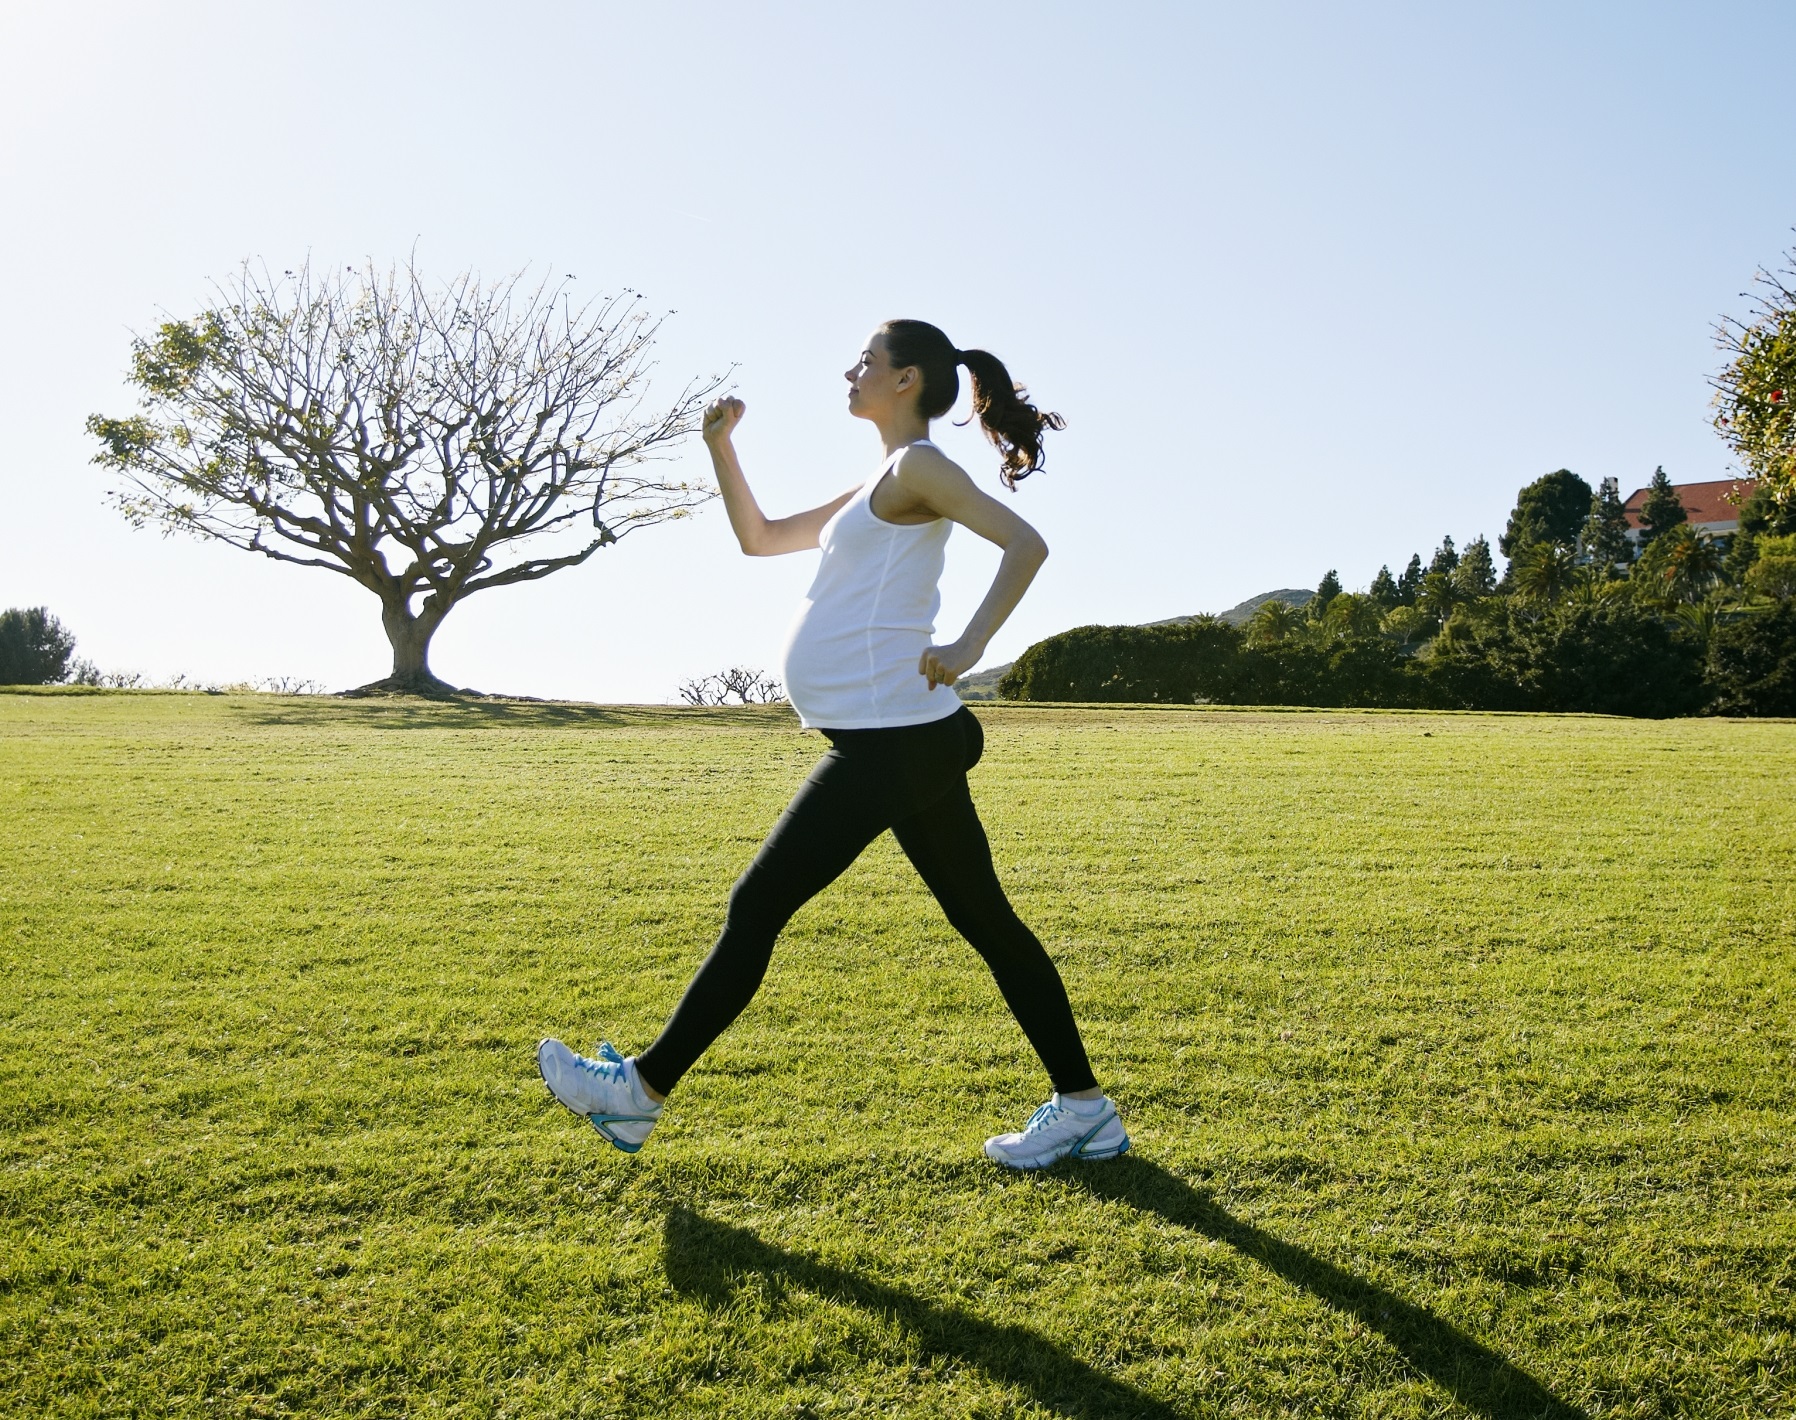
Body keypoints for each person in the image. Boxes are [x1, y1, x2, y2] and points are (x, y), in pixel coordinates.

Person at [537, 319, 1127, 1170]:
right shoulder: (878, 479)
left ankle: (638, 1093)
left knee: (758, 904)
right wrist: (720, 450)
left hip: (890, 739)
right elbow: (762, 538)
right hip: (899, 739)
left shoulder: (920, 466)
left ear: (907, 380)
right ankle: (1086, 1111)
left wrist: (966, 650)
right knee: (986, 922)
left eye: (867, 361)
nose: (850, 371)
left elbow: (1025, 545)